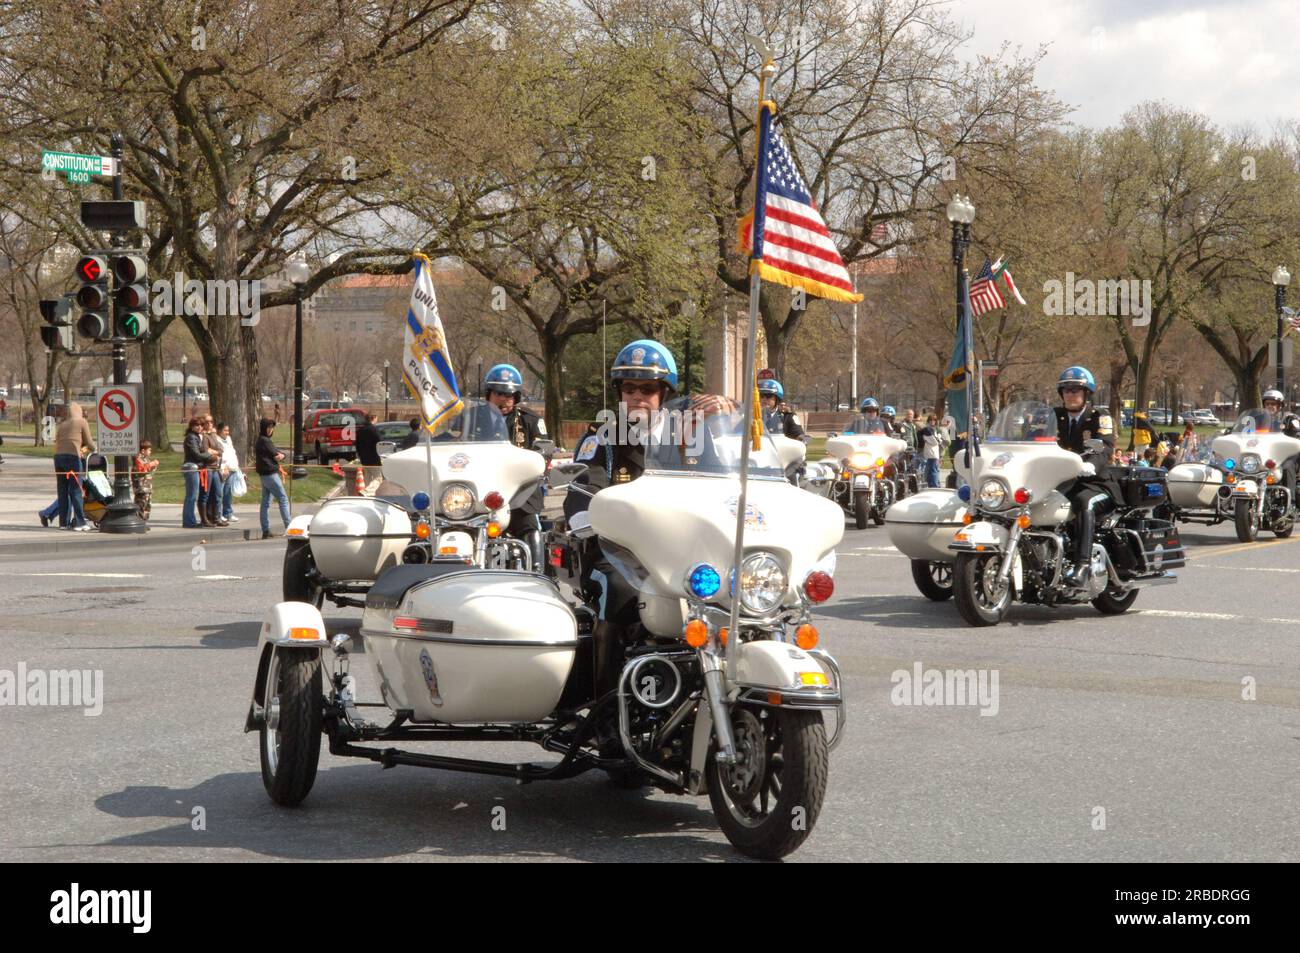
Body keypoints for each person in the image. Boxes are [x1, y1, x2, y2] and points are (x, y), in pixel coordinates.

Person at [1054, 366, 1116, 588]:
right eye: (1066, 390)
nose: (1070, 394)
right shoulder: (1053, 417)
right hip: (1059, 482)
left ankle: (1082, 565)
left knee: (1084, 503)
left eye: (1075, 390)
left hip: (1093, 483)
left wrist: (1091, 464)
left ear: (1086, 393)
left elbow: (1106, 447)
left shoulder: (1100, 417)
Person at [483, 364, 548, 565]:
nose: (503, 399)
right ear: (489, 394)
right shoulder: (472, 419)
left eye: (509, 395)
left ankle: (538, 573)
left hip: (521, 495)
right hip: (483, 494)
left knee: (531, 529)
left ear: (516, 397)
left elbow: (544, 452)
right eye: (498, 393)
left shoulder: (530, 420)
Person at [53, 402, 95, 531]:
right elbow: (88, 441)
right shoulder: (81, 421)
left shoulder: (62, 425)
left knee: (63, 491)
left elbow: (57, 440)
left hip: (58, 458)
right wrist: (94, 448)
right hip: (73, 457)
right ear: (79, 411)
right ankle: (80, 522)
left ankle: (63, 523)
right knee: (76, 489)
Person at [255, 418, 292, 539]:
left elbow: (277, 453)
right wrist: (281, 455)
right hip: (270, 474)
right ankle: (289, 528)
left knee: (265, 502)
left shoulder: (263, 440)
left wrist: (281, 455)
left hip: (265, 475)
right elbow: (277, 455)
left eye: (272, 427)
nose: (271, 429)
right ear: (263, 428)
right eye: (268, 427)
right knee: (283, 499)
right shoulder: (265, 441)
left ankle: (265, 530)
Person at [182, 416, 217, 528]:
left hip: (196, 467)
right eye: (197, 425)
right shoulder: (191, 437)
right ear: (192, 426)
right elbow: (196, 454)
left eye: (201, 425)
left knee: (193, 495)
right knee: (191, 495)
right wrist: (210, 455)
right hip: (191, 467)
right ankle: (188, 522)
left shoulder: (197, 436)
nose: (199, 427)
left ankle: (190, 520)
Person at [758, 379, 808, 443]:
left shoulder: (788, 416)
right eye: (762, 396)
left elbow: (800, 436)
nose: (764, 399)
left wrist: (802, 440)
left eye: (768, 396)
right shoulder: (755, 417)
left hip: (782, 451)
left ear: (777, 398)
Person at [217, 422, 241, 522]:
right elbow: (222, 456)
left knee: (228, 493)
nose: (227, 432)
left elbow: (232, 453)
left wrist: (236, 467)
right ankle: (218, 514)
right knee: (220, 492)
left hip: (232, 468)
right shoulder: (217, 440)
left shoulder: (229, 439)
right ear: (219, 431)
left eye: (228, 430)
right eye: (225, 430)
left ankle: (228, 513)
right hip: (223, 469)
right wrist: (224, 467)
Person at [133, 440, 160, 520]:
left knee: (147, 506)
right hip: (141, 488)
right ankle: (139, 521)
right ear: (143, 450)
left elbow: (149, 473)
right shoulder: (138, 459)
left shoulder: (146, 459)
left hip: (147, 487)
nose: (150, 452)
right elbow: (141, 469)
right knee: (141, 504)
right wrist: (151, 464)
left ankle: (144, 521)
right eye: (149, 450)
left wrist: (154, 466)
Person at [355, 411, 383, 486]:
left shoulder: (360, 430)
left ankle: (367, 494)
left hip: (364, 459)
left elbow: (357, 444)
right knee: (377, 478)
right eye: (376, 418)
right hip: (374, 458)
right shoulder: (374, 429)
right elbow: (380, 442)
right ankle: (375, 494)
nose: (377, 420)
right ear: (373, 418)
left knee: (367, 479)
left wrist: (360, 455)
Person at [919, 413, 944, 488]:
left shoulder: (935, 429)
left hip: (933, 454)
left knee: (934, 471)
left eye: (934, 420)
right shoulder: (927, 429)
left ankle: (935, 486)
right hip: (930, 453)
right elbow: (937, 440)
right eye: (931, 420)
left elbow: (936, 441)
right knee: (932, 470)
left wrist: (925, 438)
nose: (932, 421)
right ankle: (933, 485)